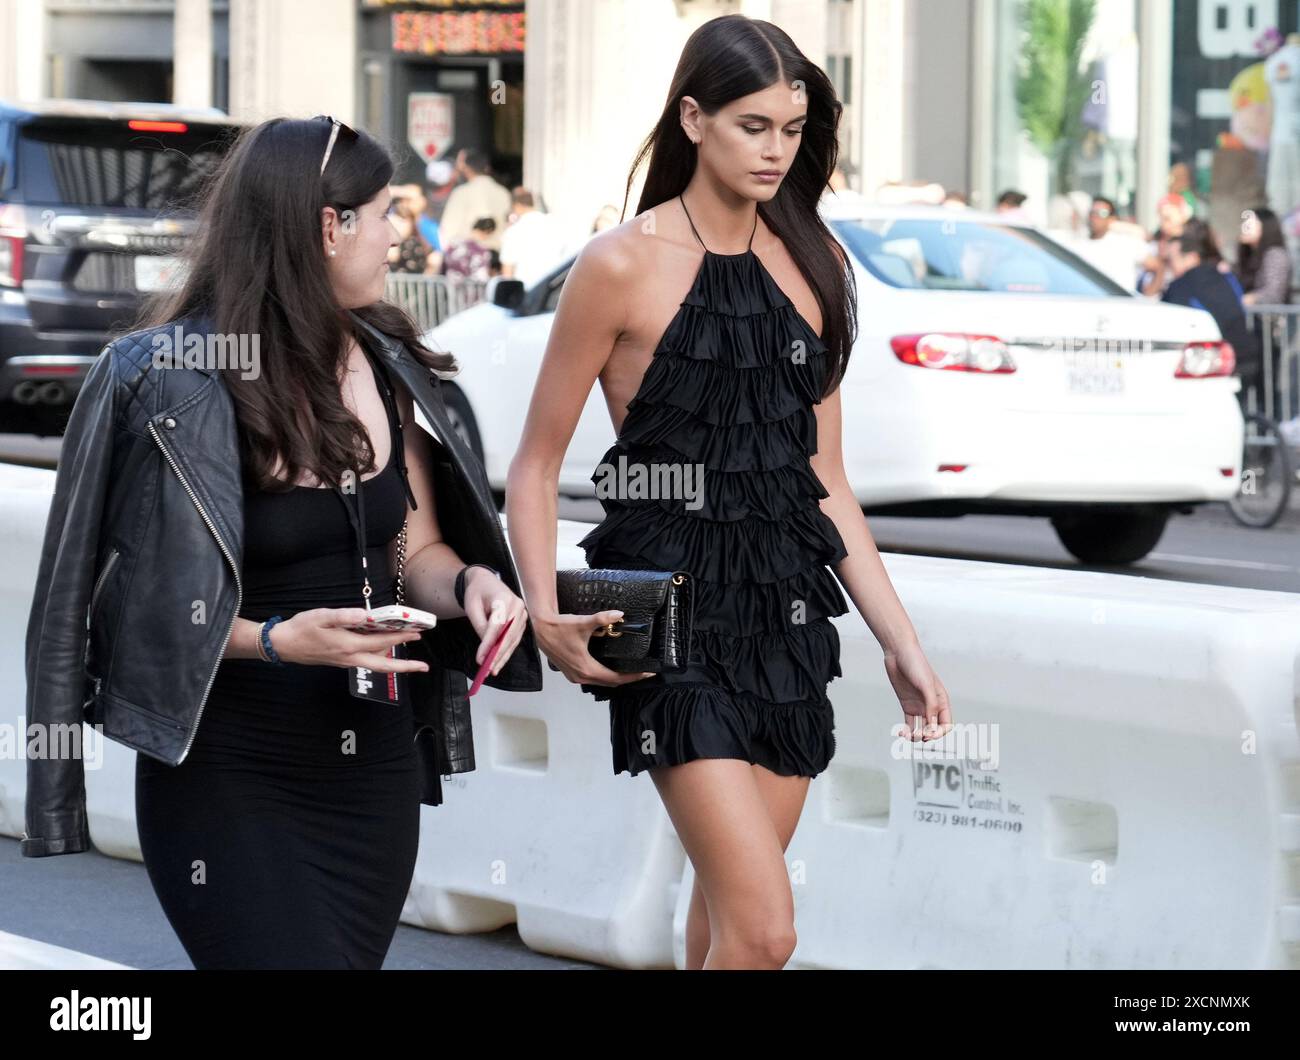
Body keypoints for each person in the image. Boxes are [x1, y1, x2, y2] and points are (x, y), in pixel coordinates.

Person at [21, 114, 540, 969]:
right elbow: (109, 617)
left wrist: (475, 585)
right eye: (381, 215)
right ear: (327, 229)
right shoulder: (160, 379)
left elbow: (417, 550)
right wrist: (275, 642)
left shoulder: (393, 362)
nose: (395, 237)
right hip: (230, 772)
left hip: (371, 769)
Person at [504, 13, 952, 971]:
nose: (778, 151)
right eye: (755, 126)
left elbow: (824, 480)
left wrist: (900, 641)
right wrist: (544, 612)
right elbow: (536, 465)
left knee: (722, 928)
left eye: (793, 130)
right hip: (664, 621)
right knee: (766, 932)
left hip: (787, 616)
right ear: (694, 118)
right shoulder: (617, 264)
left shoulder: (819, 264)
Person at [1163, 218, 1264, 393]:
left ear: (1191, 257)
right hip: (1246, 354)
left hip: (1213, 362)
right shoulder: (1224, 276)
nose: (1169, 267)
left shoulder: (1180, 286)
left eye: (1171, 260)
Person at [437, 147, 511, 251]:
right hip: (497, 257)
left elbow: (447, 231)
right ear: (487, 168)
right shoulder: (503, 193)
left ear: (466, 168)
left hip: (470, 257)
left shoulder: (461, 193)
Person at [499, 187, 570, 287]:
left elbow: (508, 271)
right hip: (553, 287)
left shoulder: (514, 231)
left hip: (526, 289)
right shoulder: (555, 224)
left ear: (517, 206)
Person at [1235, 205, 1291, 306]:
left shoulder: (1275, 255)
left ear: (1266, 227)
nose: (1243, 227)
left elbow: (1274, 293)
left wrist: (1249, 299)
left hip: (1270, 319)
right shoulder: (1249, 254)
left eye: (1250, 224)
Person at [440, 216, 496, 281]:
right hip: (468, 289)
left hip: (448, 286)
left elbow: (443, 267)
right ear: (488, 231)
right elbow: (481, 277)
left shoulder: (454, 244)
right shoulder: (481, 252)